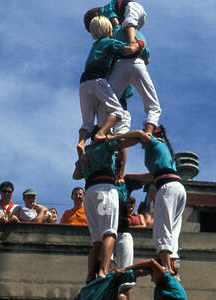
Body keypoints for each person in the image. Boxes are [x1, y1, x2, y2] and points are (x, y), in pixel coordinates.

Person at [120, 124, 186, 272]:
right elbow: (152, 176)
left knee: (161, 228)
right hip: (178, 187)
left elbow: (138, 134)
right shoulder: (161, 151)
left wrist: (111, 138)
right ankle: (173, 265)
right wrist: (130, 177)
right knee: (172, 229)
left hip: (168, 188)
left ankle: (167, 267)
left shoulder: (155, 142)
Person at [78, 15, 141, 144]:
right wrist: (139, 44)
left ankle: (81, 144)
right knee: (118, 111)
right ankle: (101, 133)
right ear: (108, 29)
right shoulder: (108, 42)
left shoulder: (95, 45)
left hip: (83, 83)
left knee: (87, 123)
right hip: (96, 80)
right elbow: (129, 49)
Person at [73, 134, 120, 280]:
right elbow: (125, 144)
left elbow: (76, 175)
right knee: (109, 233)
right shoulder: (106, 145)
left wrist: (90, 166)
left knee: (97, 241)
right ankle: (103, 271)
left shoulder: (87, 151)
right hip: (104, 189)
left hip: (90, 192)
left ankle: (89, 275)